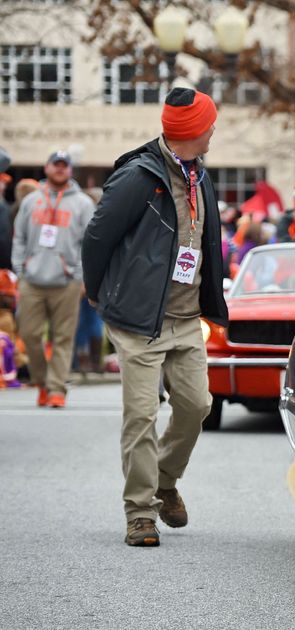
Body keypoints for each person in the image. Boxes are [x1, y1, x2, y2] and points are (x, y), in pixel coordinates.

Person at [82, 87, 229, 546]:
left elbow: (205, 245)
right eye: (209, 125)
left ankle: (165, 480)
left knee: (197, 405)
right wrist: (98, 292)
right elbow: (97, 238)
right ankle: (140, 513)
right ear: (193, 131)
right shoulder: (139, 177)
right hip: (138, 320)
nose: (213, 131)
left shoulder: (200, 176)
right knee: (141, 416)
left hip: (186, 319)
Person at [12, 150, 95, 408]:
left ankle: (57, 389)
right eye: (55, 165)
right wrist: (19, 270)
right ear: (46, 168)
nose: (60, 169)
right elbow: (19, 237)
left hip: (67, 281)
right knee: (30, 334)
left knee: (63, 338)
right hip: (32, 280)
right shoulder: (31, 201)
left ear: (70, 170)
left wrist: (82, 277)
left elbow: (89, 244)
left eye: (64, 165)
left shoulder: (82, 203)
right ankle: (41, 382)